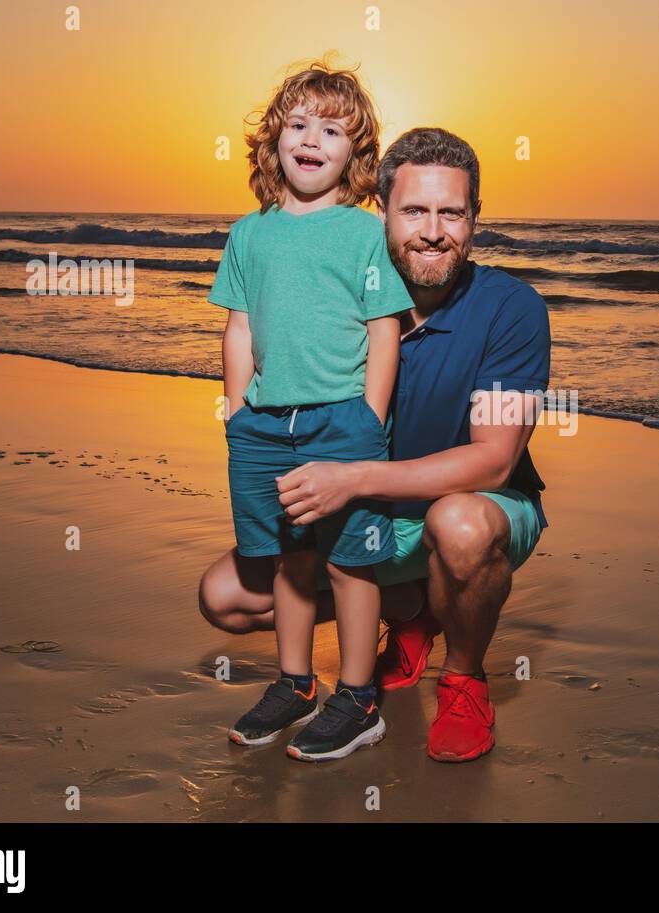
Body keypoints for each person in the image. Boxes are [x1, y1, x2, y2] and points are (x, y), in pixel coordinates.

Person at [200, 126, 552, 762]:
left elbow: (494, 461)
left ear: (476, 219)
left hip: (476, 505)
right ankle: (411, 606)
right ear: (380, 212)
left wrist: (355, 477)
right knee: (224, 596)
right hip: (364, 516)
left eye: (452, 211)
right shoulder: (340, 296)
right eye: (414, 210)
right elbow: (253, 340)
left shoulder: (513, 308)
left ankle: (464, 679)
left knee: (460, 524)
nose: (433, 230)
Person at [210, 61, 412, 762]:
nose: (311, 140)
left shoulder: (363, 233)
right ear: (274, 140)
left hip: (341, 420)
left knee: (351, 563)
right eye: (298, 124)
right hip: (264, 424)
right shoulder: (249, 233)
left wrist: (369, 418)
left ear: (354, 153)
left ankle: (357, 697)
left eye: (331, 130)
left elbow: (385, 326)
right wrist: (237, 409)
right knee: (289, 560)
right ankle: (295, 684)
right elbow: (238, 326)